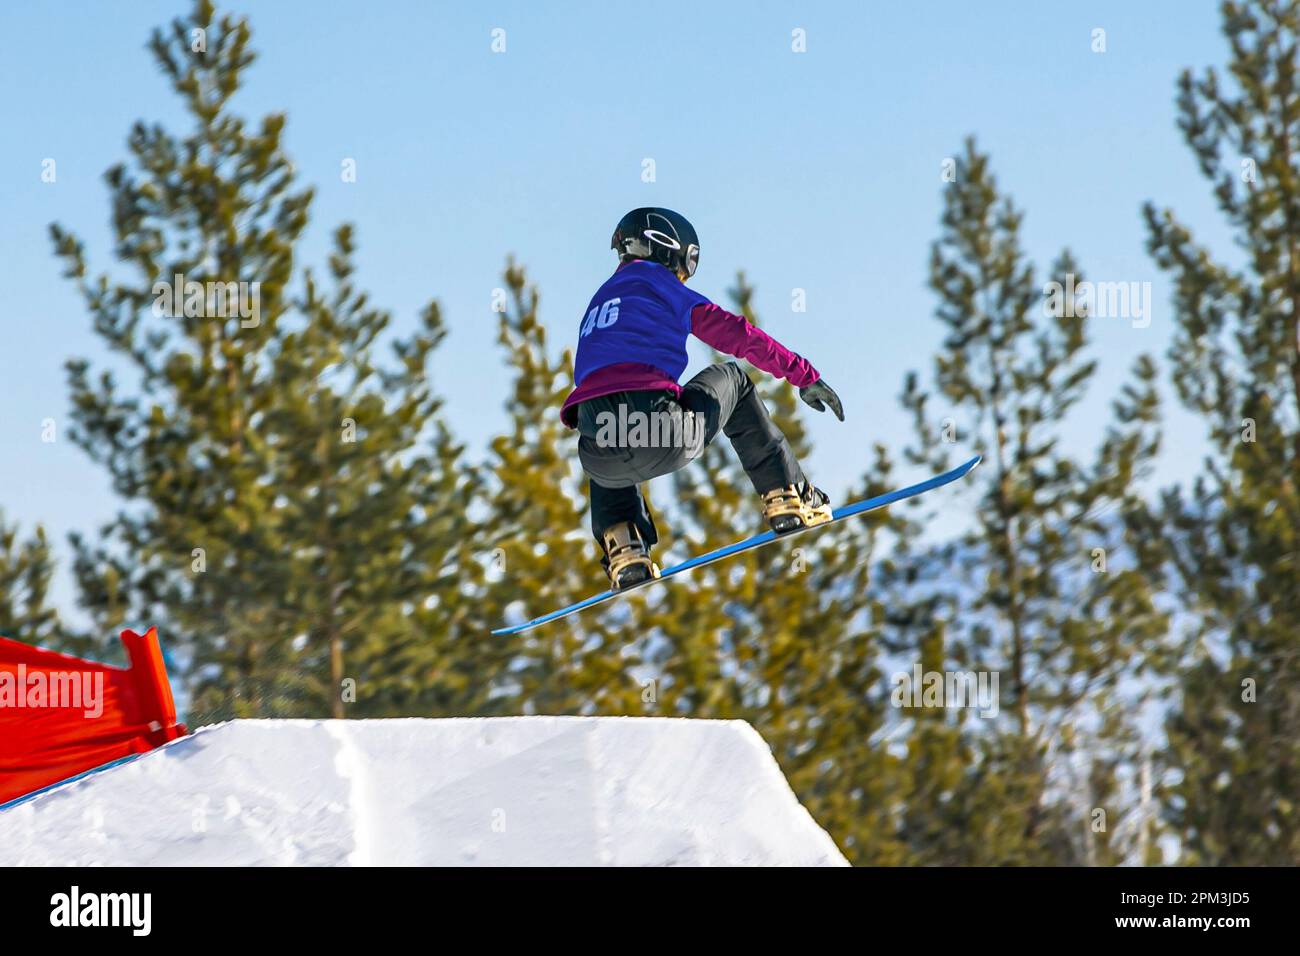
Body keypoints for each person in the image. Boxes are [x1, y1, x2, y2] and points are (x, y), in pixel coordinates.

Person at [561, 207, 845, 589]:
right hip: (663, 434)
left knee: (604, 420)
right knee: (733, 377)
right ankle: (787, 495)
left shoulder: (598, 306)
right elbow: (739, 336)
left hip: (597, 456)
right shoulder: (665, 288)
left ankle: (624, 546)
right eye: (689, 262)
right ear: (667, 249)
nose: (685, 274)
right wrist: (802, 374)